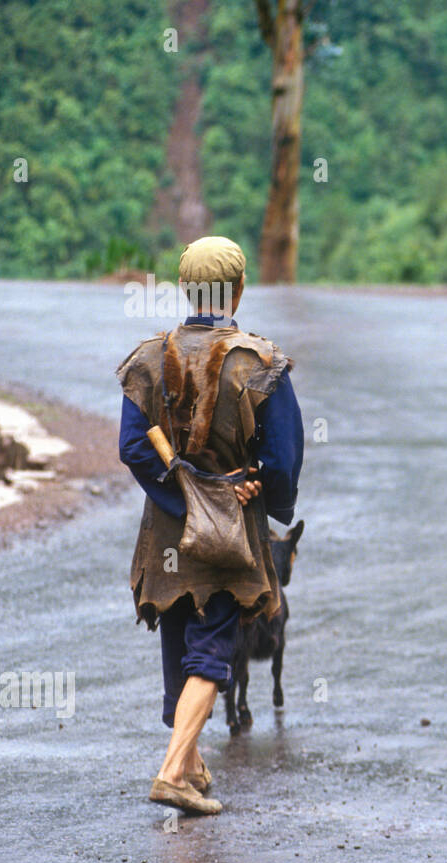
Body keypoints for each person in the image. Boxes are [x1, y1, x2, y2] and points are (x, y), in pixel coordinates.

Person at [116, 236, 304, 814]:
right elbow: (284, 454)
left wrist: (181, 493)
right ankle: (173, 771)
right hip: (226, 530)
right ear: (239, 289)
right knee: (214, 644)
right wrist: (258, 489)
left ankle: (192, 765)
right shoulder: (261, 362)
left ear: (186, 289)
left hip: (168, 533)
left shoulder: (148, 358)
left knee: (179, 631)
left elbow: (132, 447)